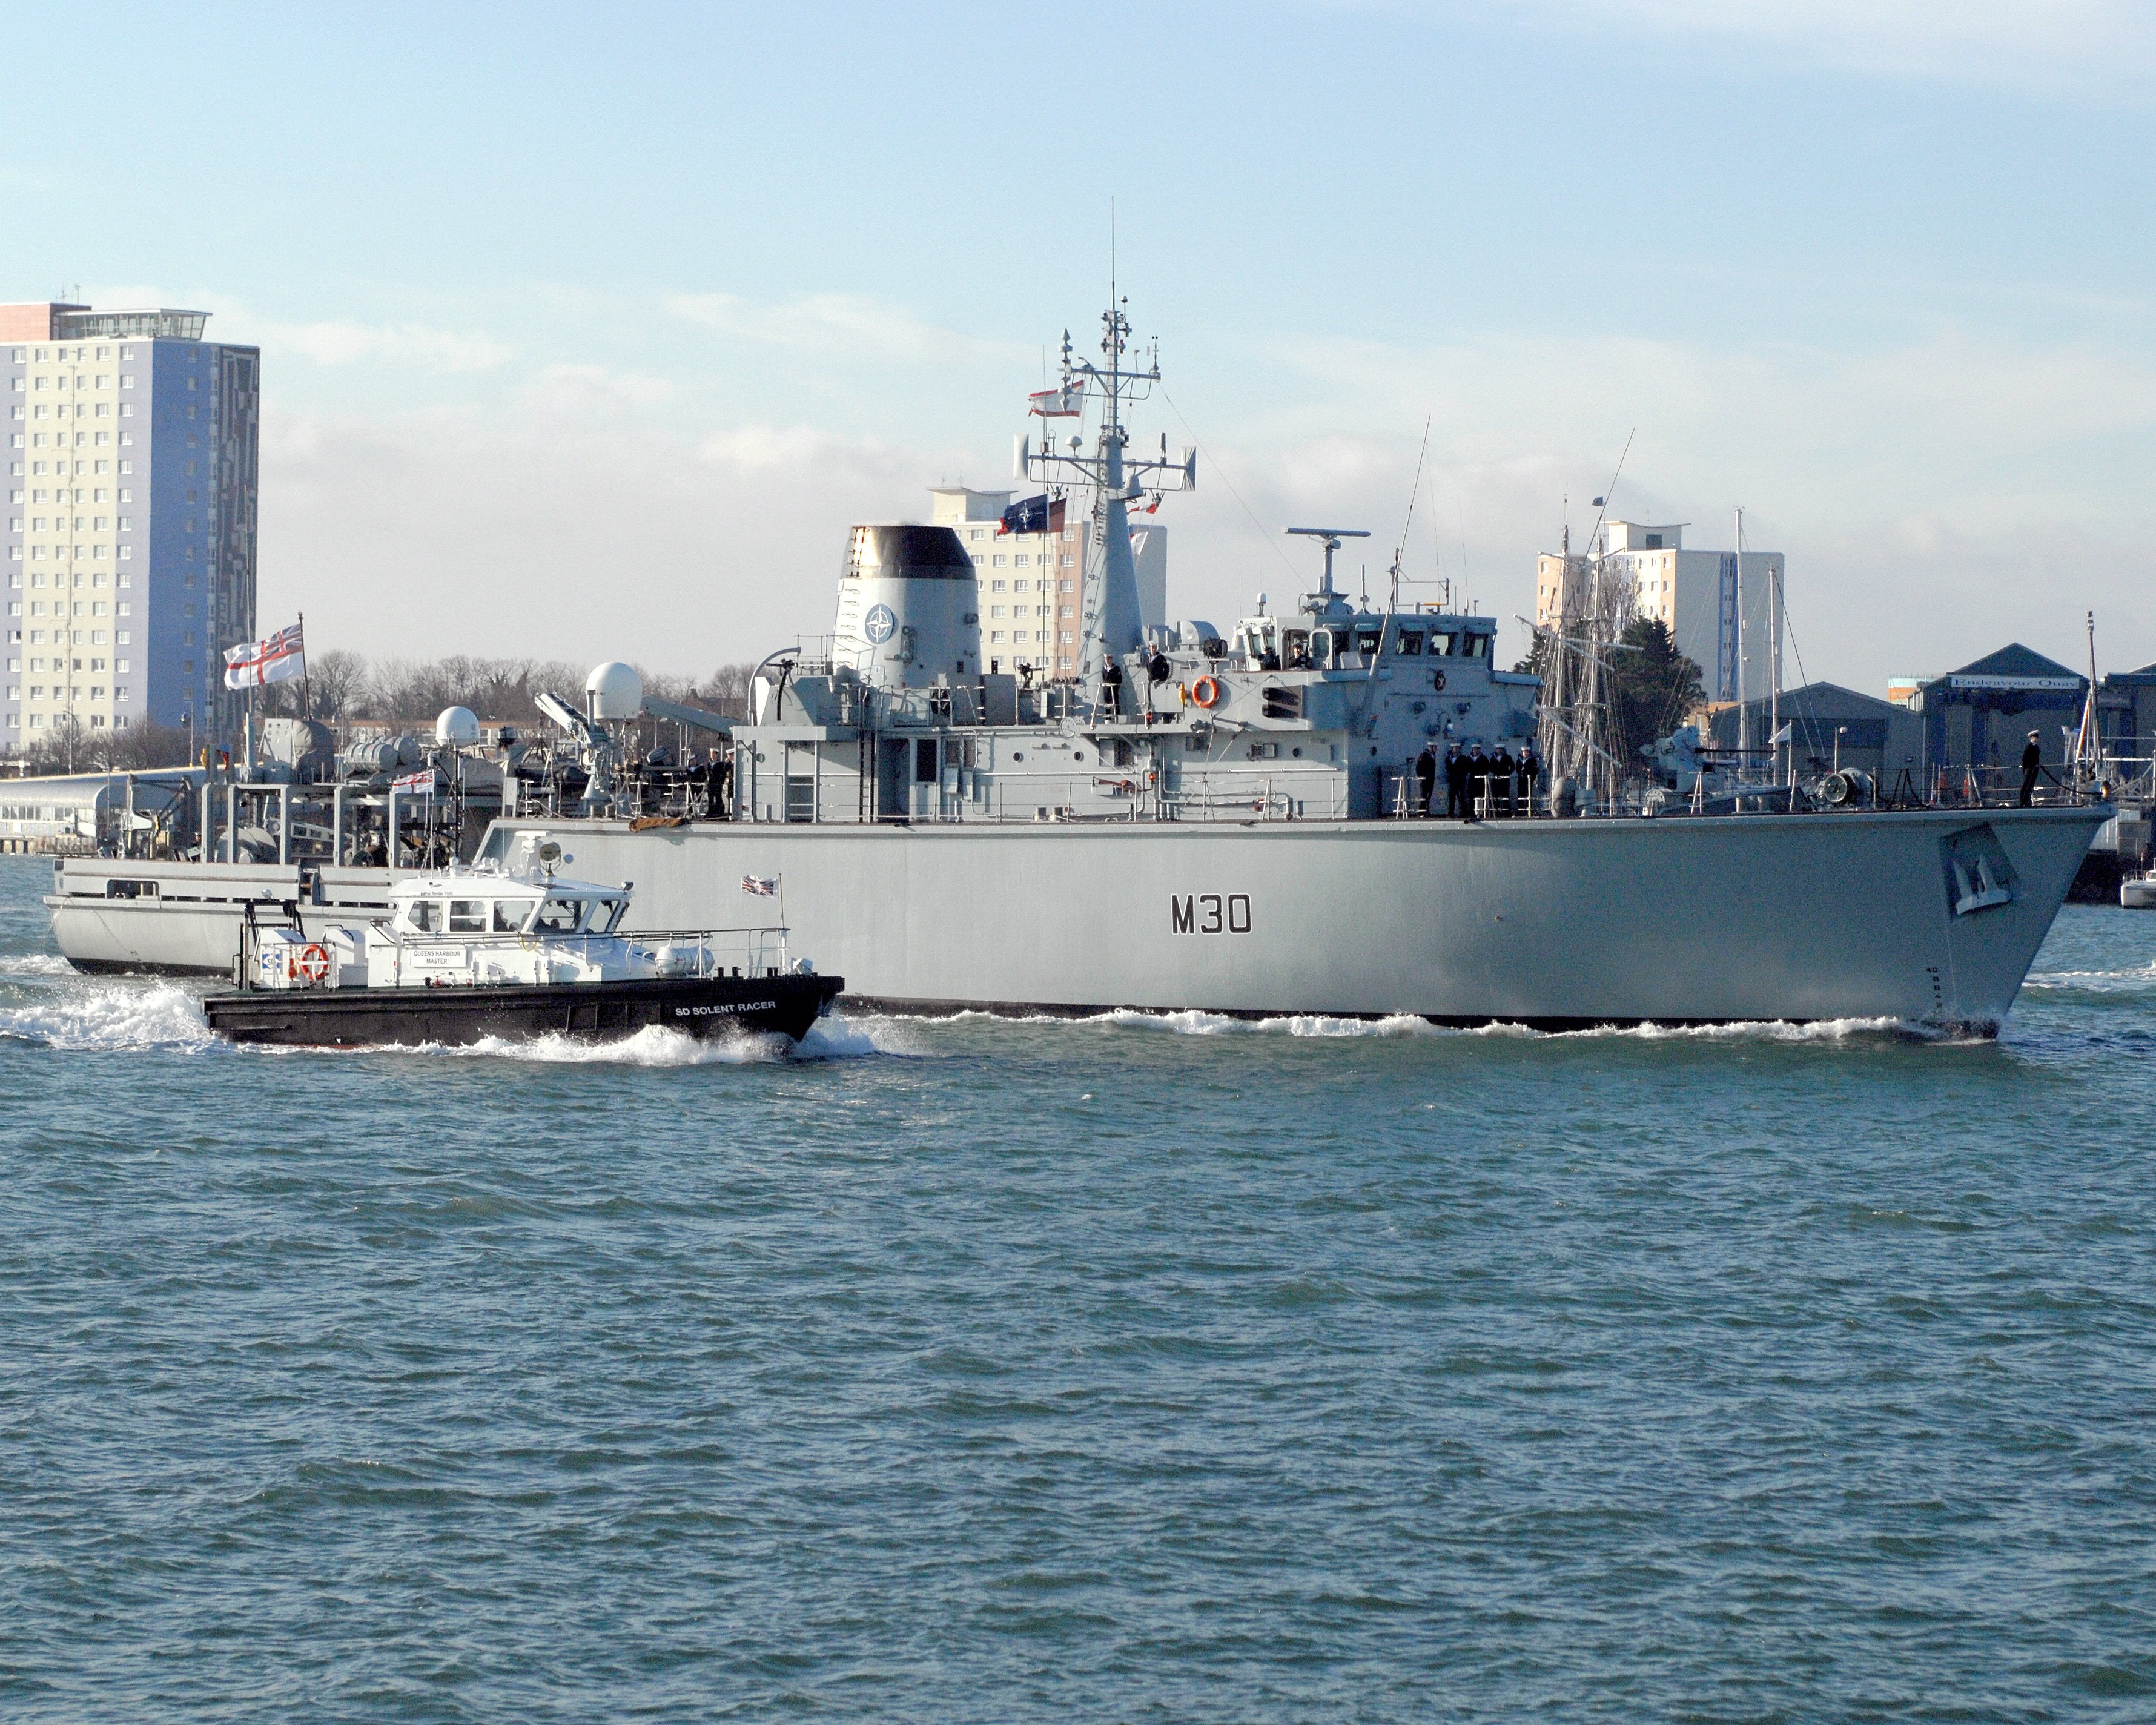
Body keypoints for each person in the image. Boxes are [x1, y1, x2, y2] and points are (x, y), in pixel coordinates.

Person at [1466, 744, 1489, 821]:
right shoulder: (1468, 759)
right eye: (1474, 749)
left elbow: (1487, 769)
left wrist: (1481, 774)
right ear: (1472, 750)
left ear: (1479, 750)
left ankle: (1480, 813)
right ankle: (1471, 813)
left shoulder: (1484, 758)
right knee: (1470, 798)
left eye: (1477, 749)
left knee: (1480, 797)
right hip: (1471, 781)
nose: (1476, 751)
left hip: (1480, 781)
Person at [1444, 744, 1468, 819]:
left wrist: (1460, 775)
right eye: (1454, 748)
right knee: (1451, 798)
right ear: (1452, 749)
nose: (1456, 750)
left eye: (1457, 748)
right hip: (1452, 781)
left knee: (1461, 798)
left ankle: (1463, 813)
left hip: (1460, 781)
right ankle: (1450, 813)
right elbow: (1447, 769)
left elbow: (1466, 769)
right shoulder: (1448, 759)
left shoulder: (1463, 758)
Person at [1518, 742, 1542, 816]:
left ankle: (1529, 810)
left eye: (1527, 752)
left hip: (1529, 780)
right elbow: (1518, 768)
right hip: (1521, 780)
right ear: (1523, 752)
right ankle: (1520, 811)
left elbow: (1535, 770)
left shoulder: (1532, 760)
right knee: (1521, 795)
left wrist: (1531, 777)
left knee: (1528, 795)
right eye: (1525, 752)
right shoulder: (1520, 760)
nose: (1526, 753)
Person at [1493, 746, 1517, 817]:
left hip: (1505, 780)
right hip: (1496, 780)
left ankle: (1506, 812)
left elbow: (1513, 767)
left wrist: (1507, 773)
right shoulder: (1493, 757)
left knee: (1505, 796)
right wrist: (1495, 773)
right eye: (1498, 749)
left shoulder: (1507, 757)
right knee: (1496, 797)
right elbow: (1490, 767)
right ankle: (1496, 812)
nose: (1499, 751)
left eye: (1500, 749)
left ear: (1503, 750)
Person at [1414, 743, 1438, 817]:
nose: (1436, 749)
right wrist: (1421, 777)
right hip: (1425, 779)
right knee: (1423, 795)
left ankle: (1426, 811)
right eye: (1435, 747)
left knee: (1428, 796)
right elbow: (1418, 767)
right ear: (1431, 747)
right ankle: (1421, 812)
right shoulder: (1424, 755)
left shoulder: (1433, 755)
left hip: (1431, 779)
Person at [2020, 731, 2042, 807]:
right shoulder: (2029, 747)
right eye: (2036, 737)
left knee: (2031, 785)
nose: (2037, 739)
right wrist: (2025, 768)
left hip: (2034, 769)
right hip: (2029, 769)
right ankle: (2023, 801)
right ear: (2032, 737)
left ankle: (2028, 800)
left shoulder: (2035, 747)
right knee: (2027, 785)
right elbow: (2025, 758)